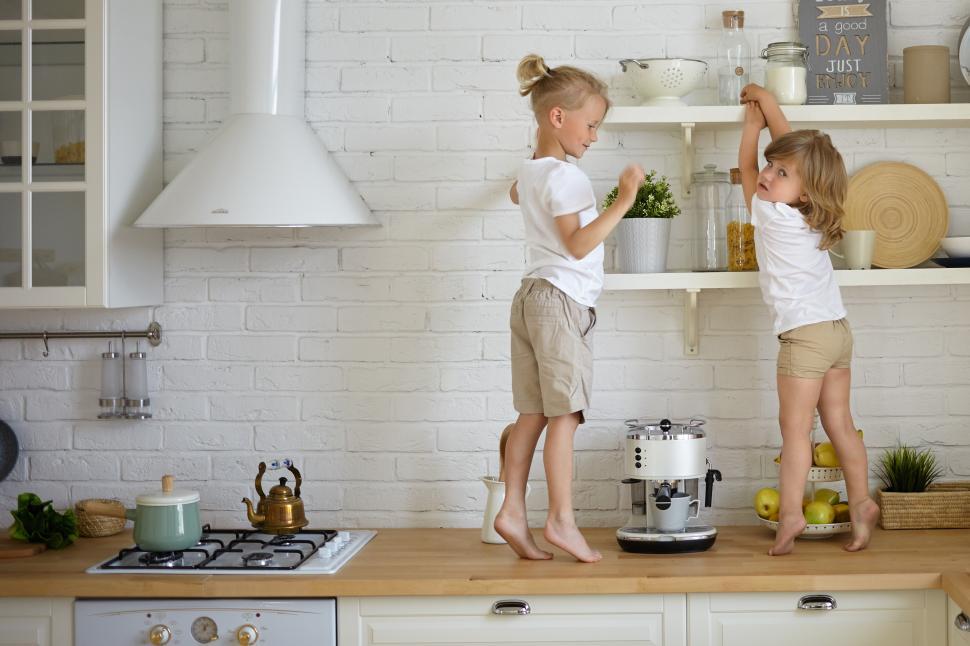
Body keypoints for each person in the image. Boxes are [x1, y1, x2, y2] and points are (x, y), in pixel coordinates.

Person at [493, 54, 645, 562]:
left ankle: (513, 508)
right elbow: (578, 245)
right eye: (592, 124)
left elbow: (519, 194)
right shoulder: (570, 178)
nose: (595, 137)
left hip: (530, 297)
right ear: (558, 117)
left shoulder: (530, 171)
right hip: (562, 301)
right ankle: (561, 519)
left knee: (531, 413)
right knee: (566, 416)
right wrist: (622, 200)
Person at [738, 83, 880, 556]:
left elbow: (744, 169)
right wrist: (774, 113)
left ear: (803, 188)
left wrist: (751, 128)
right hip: (838, 331)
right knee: (840, 422)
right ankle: (861, 504)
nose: (766, 175)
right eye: (770, 165)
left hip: (804, 336)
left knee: (796, 431)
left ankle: (792, 513)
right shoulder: (812, 214)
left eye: (779, 172)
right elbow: (796, 156)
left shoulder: (773, 214)